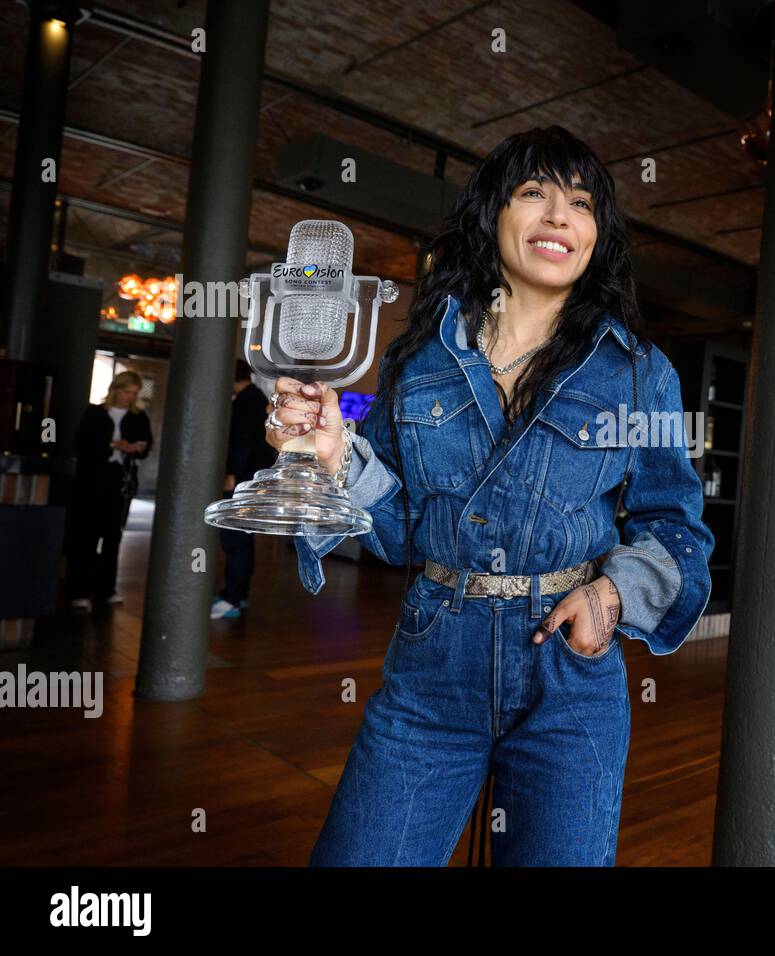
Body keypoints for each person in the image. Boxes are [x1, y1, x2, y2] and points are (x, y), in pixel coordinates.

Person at [267, 126, 714, 866]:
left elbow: (677, 527)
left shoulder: (637, 373)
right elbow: (401, 530)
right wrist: (336, 458)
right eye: (533, 192)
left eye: (580, 202)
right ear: (492, 215)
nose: (558, 216)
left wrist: (612, 597)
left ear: (596, 236)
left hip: (567, 678)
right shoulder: (421, 360)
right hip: (432, 664)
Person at [67, 370, 153, 611]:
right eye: (127, 392)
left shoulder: (139, 417)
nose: (130, 397)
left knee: (113, 536)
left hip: (120, 481)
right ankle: (78, 590)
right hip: (92, 480)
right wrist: (112, 445)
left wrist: (135, 448)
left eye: (134, 394)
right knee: (86, 536)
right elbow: (82, 444)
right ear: (116, 389)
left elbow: (147, 445)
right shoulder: (94, 413)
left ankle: (106, 589)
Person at [211, 360, 277, 619]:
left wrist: (232, 474)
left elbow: (242, 443)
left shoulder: (245, 401)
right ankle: (238, 595)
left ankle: (233, 598)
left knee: (234, 539)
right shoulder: (255, 398)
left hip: (240, 480)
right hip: (250, 478)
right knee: (241, 539)